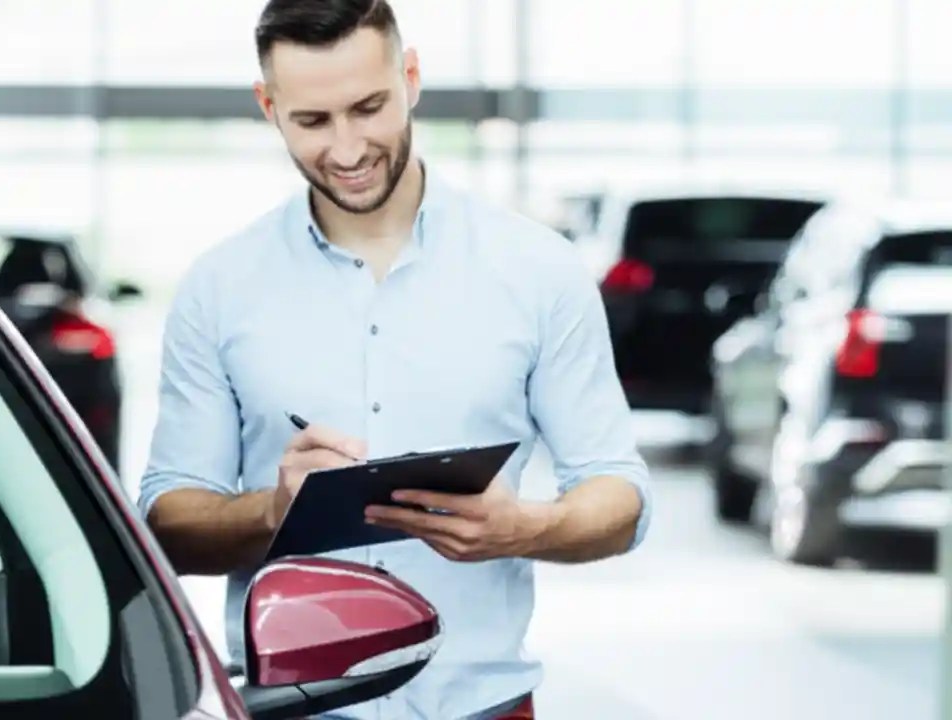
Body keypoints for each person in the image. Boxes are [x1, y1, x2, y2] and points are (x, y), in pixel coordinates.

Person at [137, 1, 652, 717]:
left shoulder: (537, 270)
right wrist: (272, 511)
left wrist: (523, 528)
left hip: (483, 708)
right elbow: (167, 523)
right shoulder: (219, 288)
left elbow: (619, 495)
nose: (346, 149)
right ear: (269, 106)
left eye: (368, 107)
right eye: (312, 122)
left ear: (410, 78)